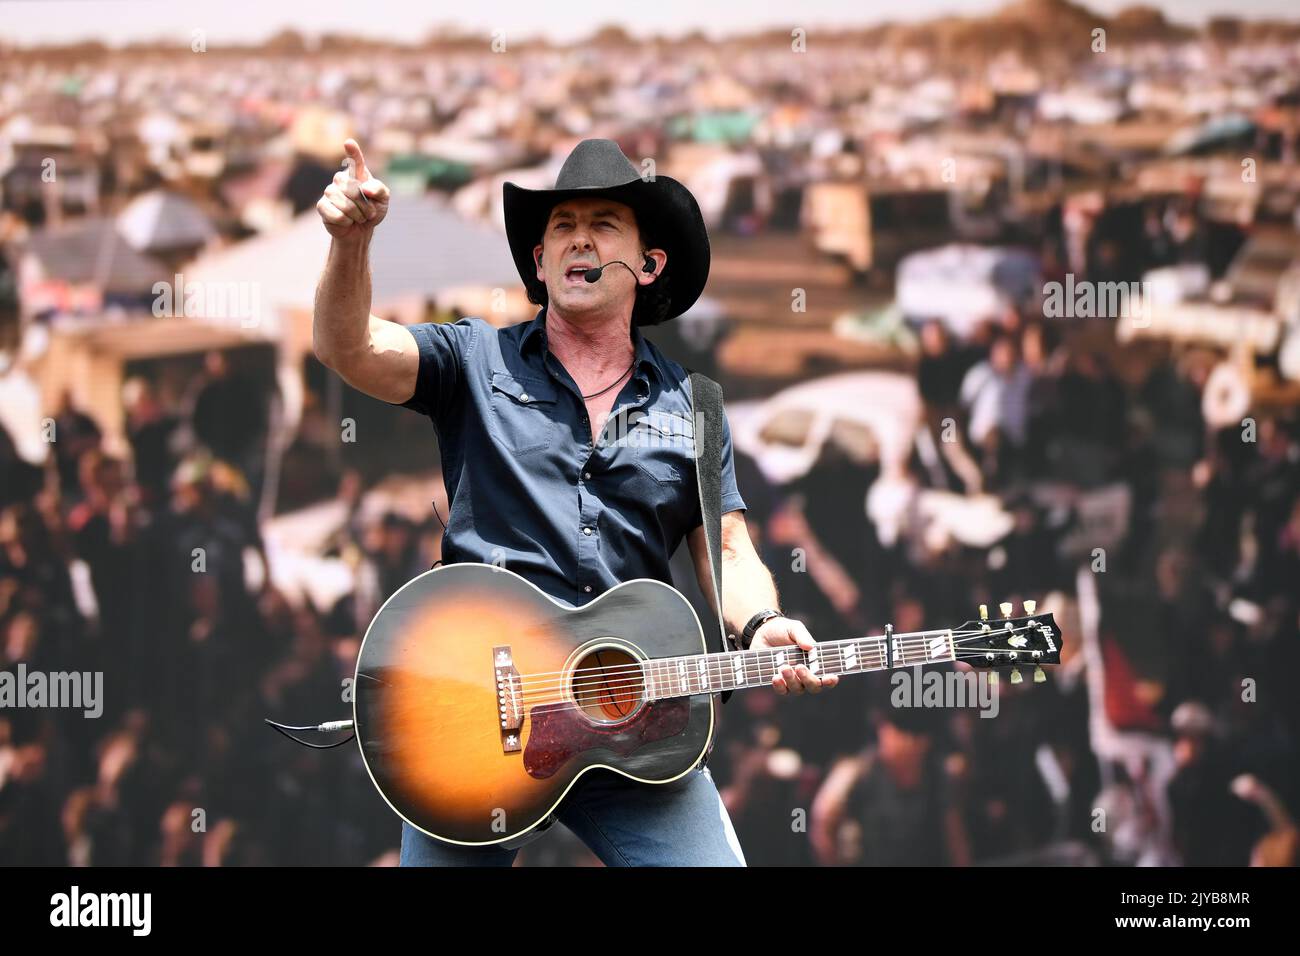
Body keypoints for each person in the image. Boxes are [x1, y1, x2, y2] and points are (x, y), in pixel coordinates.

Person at [312, 137, 838, 866]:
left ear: (649, 264)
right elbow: (349, 346)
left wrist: (763, 625)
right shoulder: (475, 362)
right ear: (539, 262)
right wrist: (350, 245)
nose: (578, 238)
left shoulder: (697, 409)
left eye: (604, 223)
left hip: (635, 724)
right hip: (473, 720)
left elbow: (729, 552)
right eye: (561, 226)